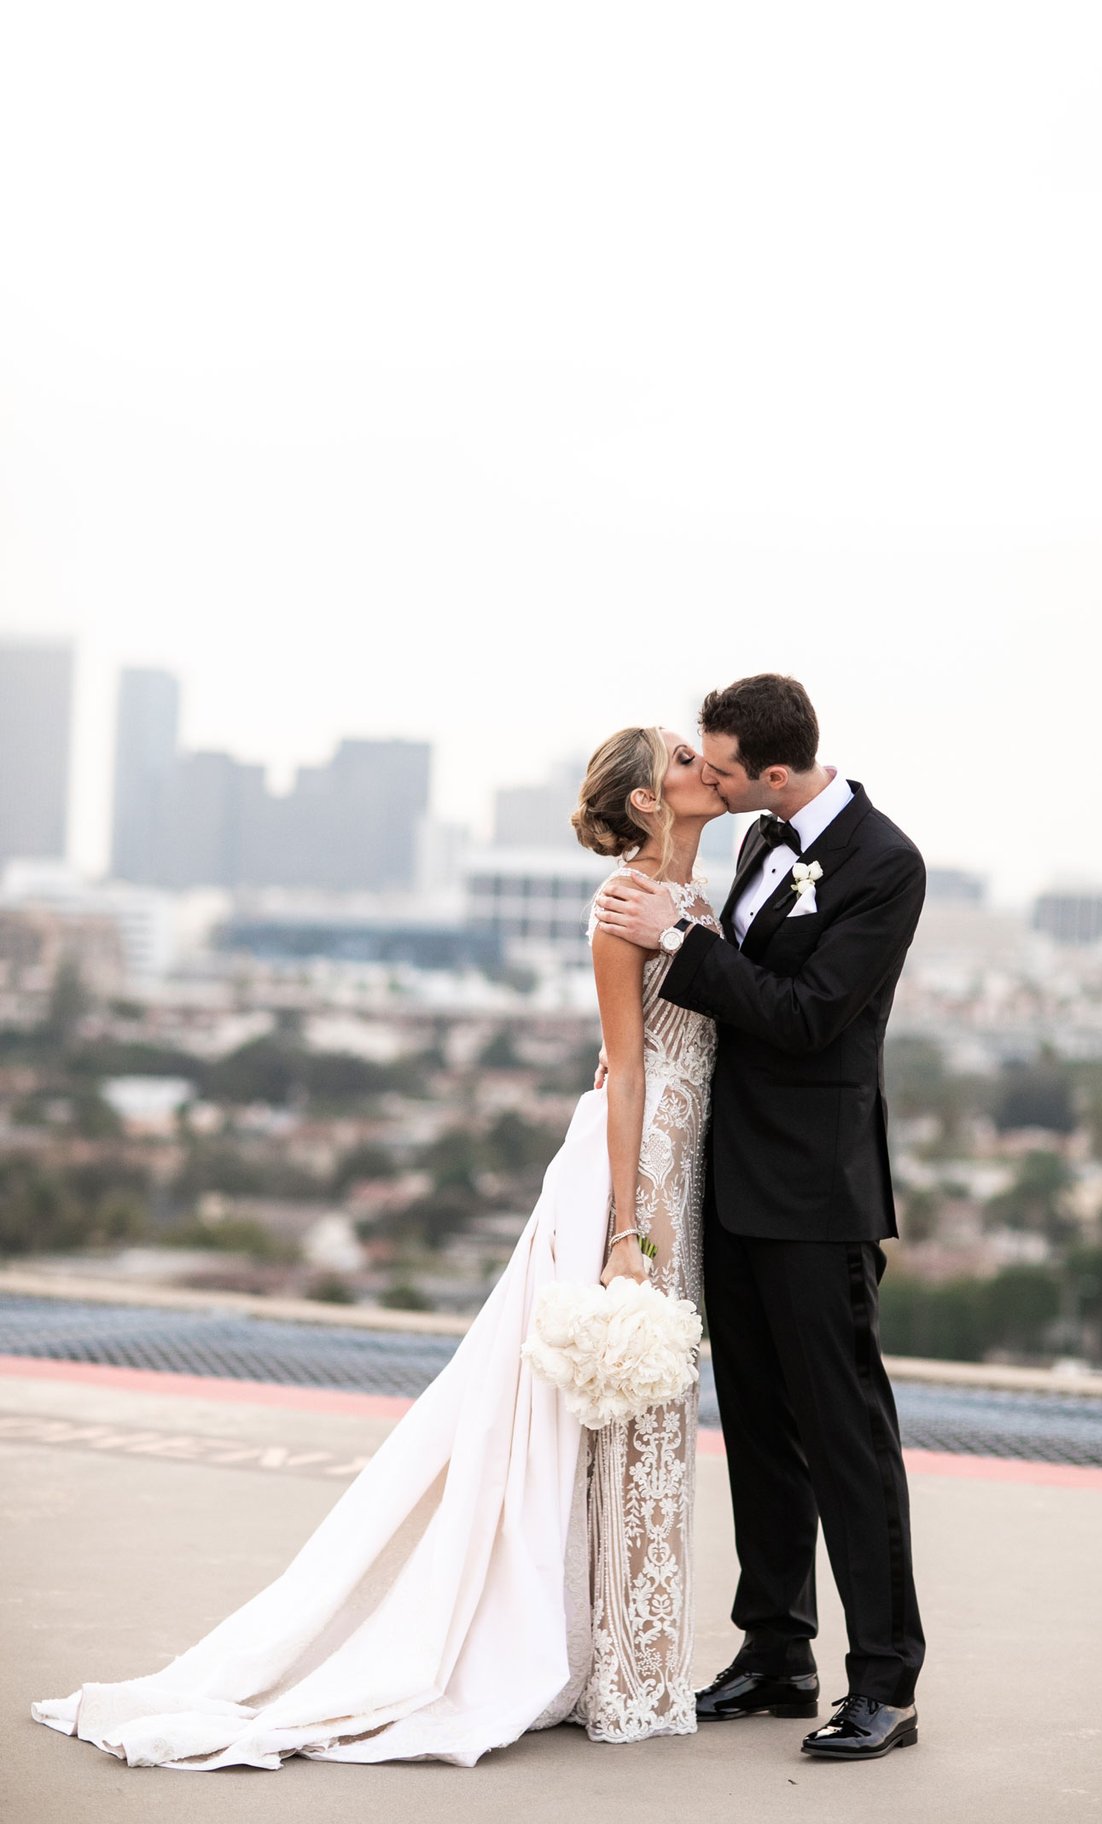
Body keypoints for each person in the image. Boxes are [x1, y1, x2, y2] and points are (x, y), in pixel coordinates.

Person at [30, 726, 723, 1770]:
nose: (698, 767)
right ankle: (597, 1662)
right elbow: (622, 1075)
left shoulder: (698, 903)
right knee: (594, 1412)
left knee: (636, 1419)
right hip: (624, 1172)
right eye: (679, 759)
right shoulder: (623, 906)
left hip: (681, 1158)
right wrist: (624, 1228)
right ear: (640, 804)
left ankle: (622, 1656)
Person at [596, 673, 928, 1763]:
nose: (710, 781)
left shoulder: (884, 865)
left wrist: (682, 947)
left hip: (813, 1196)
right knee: (757, 1433)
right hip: (721, 1184)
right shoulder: (754, 844)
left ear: (773, 773)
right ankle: (774, 1650)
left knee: (847, 1440)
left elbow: (807, 1017)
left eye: (723, 768)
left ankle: (883, 1682)